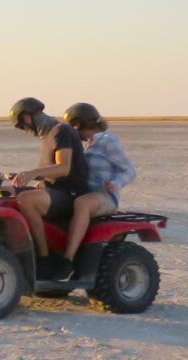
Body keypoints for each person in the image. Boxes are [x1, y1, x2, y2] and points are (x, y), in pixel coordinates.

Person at [5, 96, 91, 280]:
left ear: (28, 118)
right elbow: (50, 172)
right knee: (8, 198)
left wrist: (33, 173)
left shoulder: (61, 131)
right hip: (54, 191)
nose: (25, 130)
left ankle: (44, 259)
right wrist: (27, 177)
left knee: (26, 200)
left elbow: (64, 168)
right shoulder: (47, 136)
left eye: (23, 125)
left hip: (69, 194)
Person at [58, 102, 138, 267]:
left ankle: (68, 258)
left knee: (82, 203)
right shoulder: (86, 145)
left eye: (70, 127)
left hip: (105, 196)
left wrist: (115, 183)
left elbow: (129, 171)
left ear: (77, 124)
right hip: (87, 194)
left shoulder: (108, 141)